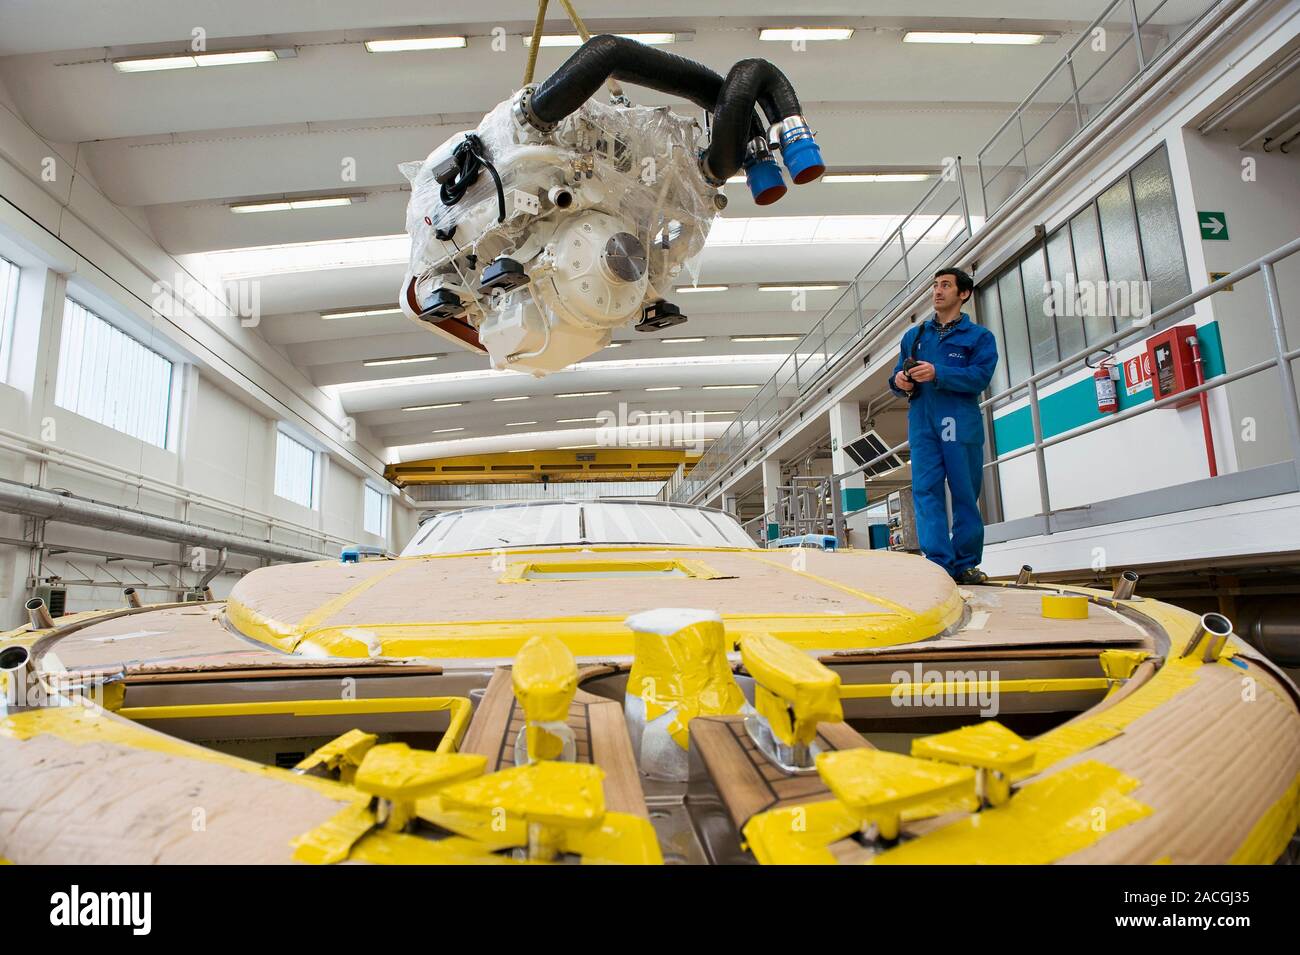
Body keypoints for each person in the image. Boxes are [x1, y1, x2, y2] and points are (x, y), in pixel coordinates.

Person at [888, 268, 999, 585]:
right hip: (922, 421)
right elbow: (897, 379)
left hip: (958, 421)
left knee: (965, 492)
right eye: (935, 286)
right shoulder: (915, 337)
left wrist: (939, 373)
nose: (937, 291)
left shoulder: (978, 338)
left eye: (945, 286)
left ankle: (965, 564)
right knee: (925, 491)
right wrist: (901, 382)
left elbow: (980, 377)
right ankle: (938, 562)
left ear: (963, 294)